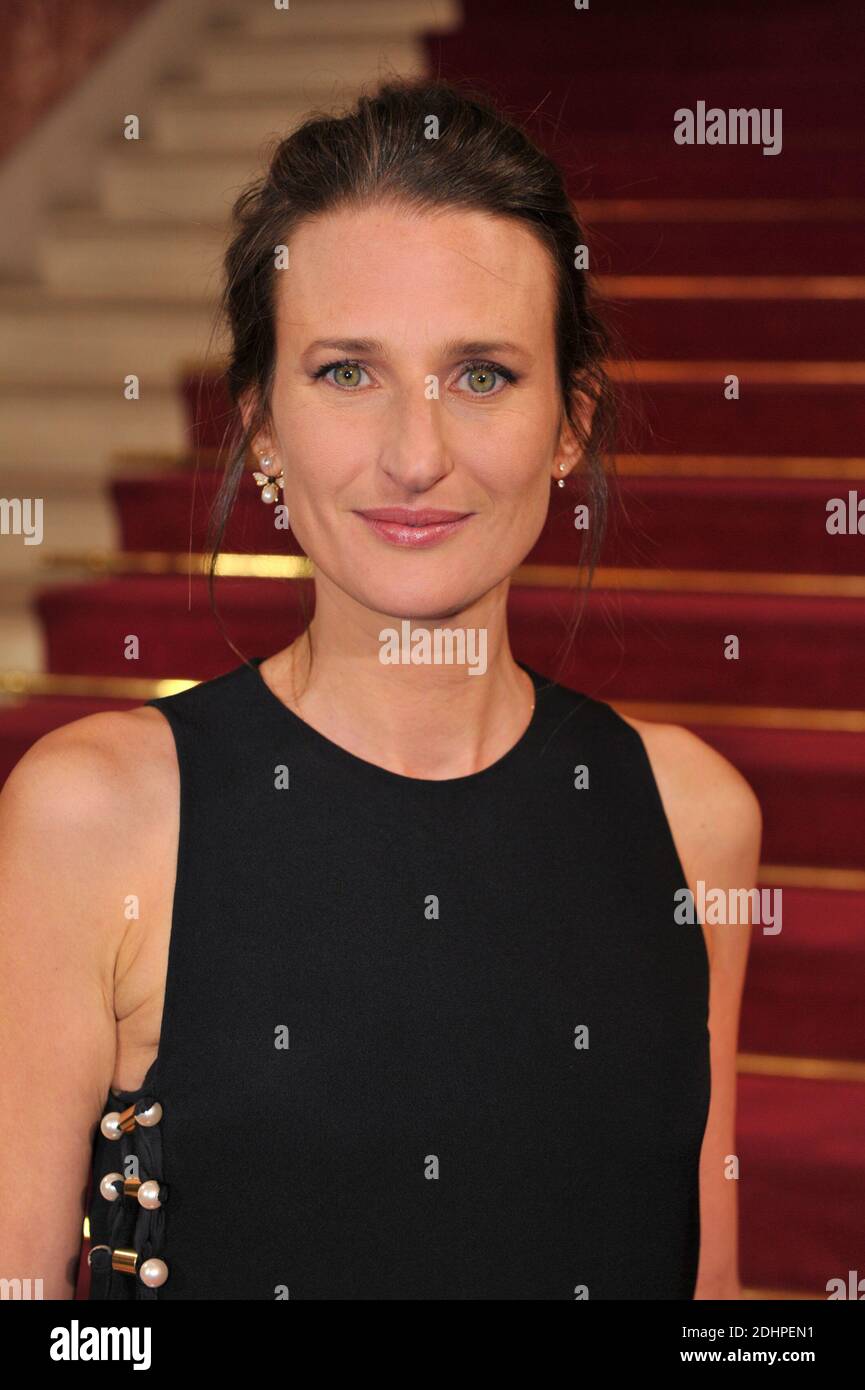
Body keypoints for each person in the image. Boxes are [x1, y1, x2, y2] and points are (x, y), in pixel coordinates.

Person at [0, 77, 757, 1300]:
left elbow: (703, 1300)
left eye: (483, 375)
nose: (415, 455)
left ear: (570, 425)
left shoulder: (691, 814)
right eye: (348, 372)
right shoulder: (96, 814)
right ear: (260, 429)